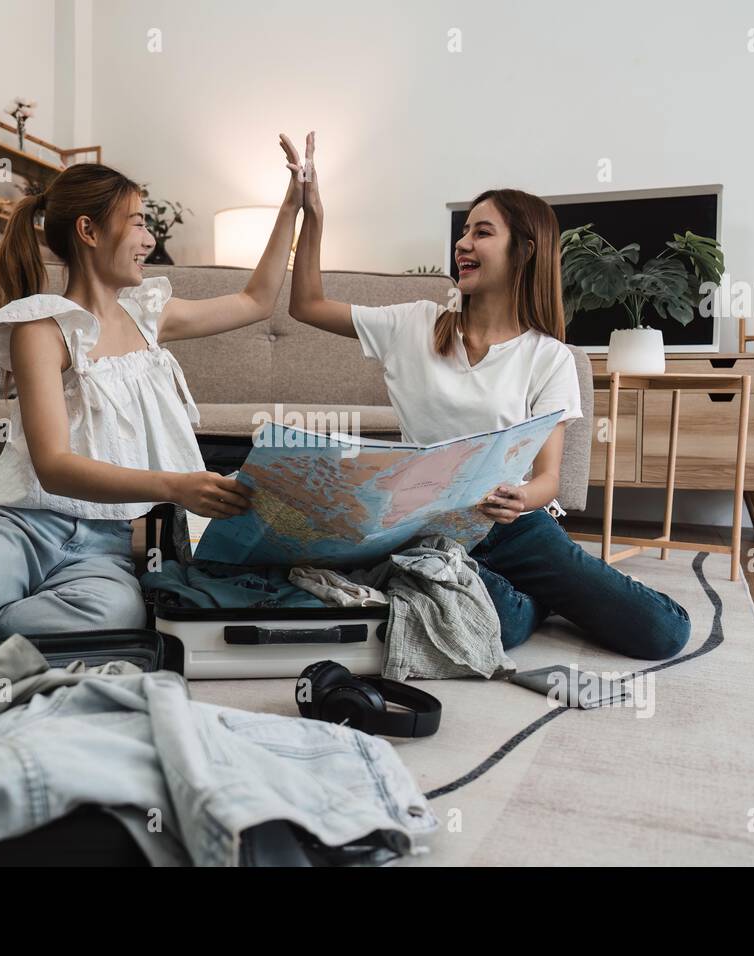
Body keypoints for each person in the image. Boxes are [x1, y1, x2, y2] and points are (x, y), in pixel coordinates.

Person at [0, 136, 307, 650]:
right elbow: (54, 466)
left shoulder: (149, 315)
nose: (148, 239)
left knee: (115, 620)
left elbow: (256, 299)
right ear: (88, 230)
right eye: (136, 222)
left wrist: (293, 205)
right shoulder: (42, 328)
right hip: (20, 527)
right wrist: (176, 486)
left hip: (101, 548)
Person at [287, 132, 690, 660]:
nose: (463, 244)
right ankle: (534, 603)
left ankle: (547, 585)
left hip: (514, 527)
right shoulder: (412, 325)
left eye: (482, 232)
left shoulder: (549, 358)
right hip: (428, 531)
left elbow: (546, 478)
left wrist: (522, 498)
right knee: (504, 627)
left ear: (524, 250)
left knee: (662, 635)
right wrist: (312, 212)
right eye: (463, 232)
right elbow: (306, 304)